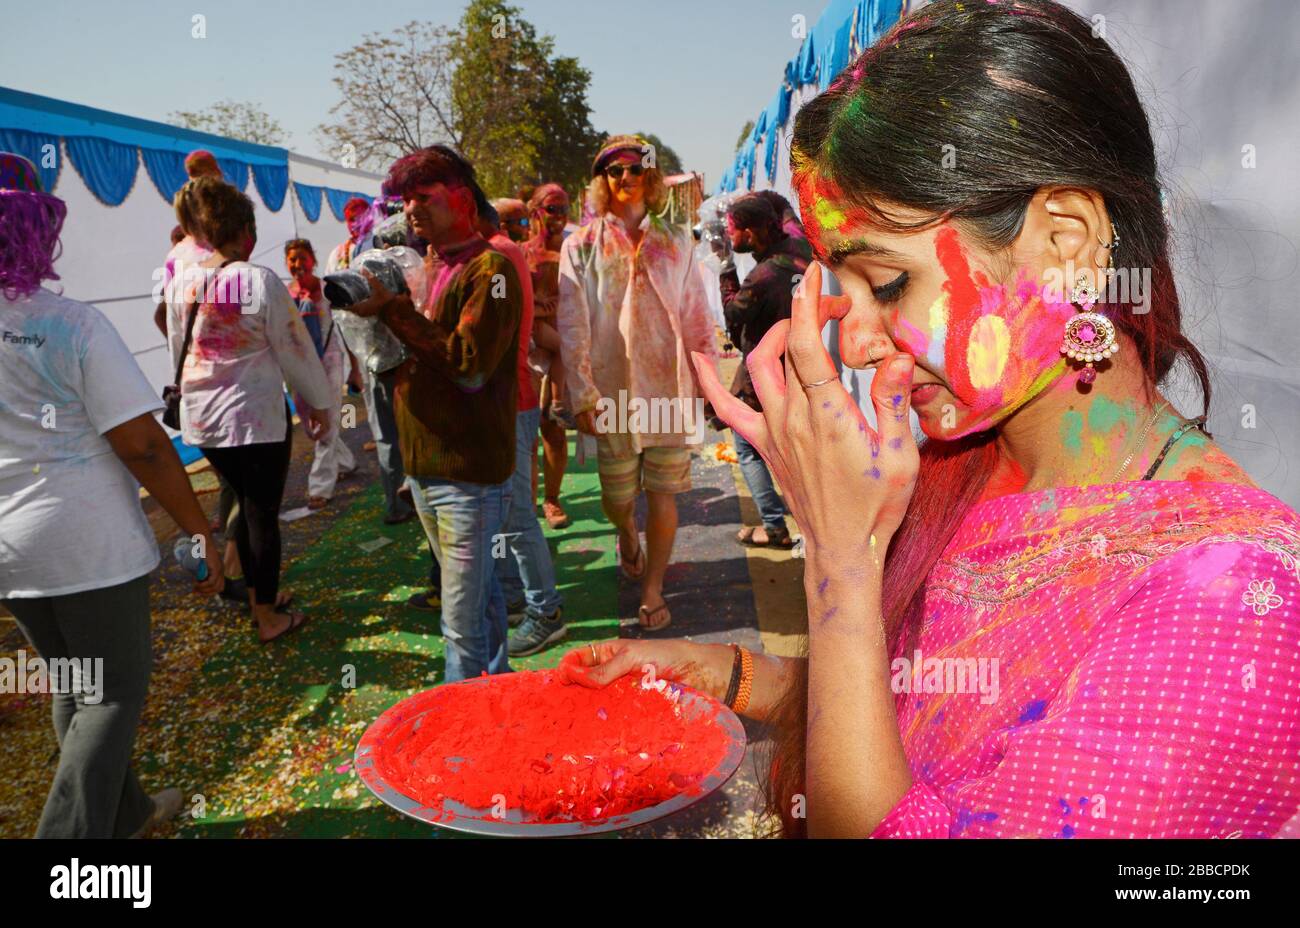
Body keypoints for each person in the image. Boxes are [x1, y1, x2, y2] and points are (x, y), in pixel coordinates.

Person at [561, 0, 1300, 838]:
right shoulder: (965, 464)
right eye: (843, 290)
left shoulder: (1231, 604)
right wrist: (719, 674)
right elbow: (918, 719)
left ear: (1066, 241)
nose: (860, 341)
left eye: (888, 284)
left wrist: (839, 561)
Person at [0, 152, 224, 837]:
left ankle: (124, 813)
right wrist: (200, 529)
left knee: (75, 683)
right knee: (110, 695)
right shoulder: (68, 323)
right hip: (84, 543)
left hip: (13, 549)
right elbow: (145, 445)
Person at [345, 146, 523, 682]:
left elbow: (469, 366)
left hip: (466, 471)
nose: (412, 211)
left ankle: (461, 738)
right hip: (429, 467)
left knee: (459, 621)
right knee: (481, 600)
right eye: (405, 202)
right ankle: (494, 698)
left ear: (462, 199)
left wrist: (392, 311)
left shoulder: (491, 270)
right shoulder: (429, 266)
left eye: (424, 198)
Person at [557, 135, 717, 631]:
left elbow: (697, 316)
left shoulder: (677, 240)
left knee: (665, 495)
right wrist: (582, 393)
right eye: (613, 172)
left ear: (649, 177)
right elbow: (572, 322)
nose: (624, 178)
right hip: (612, 394)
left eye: (634, 170)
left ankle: (652, 589)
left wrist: (708, 384)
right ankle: (627, 533)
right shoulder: (581, 246)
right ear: (602, 181)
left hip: (668, 391)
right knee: (618, 498)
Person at [165, 176, 333, 643]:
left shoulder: (185, 280)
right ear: (244, 232)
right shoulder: (257, 279)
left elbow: (176, 344)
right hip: (254, 418)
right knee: (262, 515)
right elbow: (295, 348)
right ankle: (267, 616)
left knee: (243, 502)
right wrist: (319, 404)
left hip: (204, 423)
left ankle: (248, 588)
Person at [467, 202, 567, 656]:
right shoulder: (503, 253)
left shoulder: (498, 254)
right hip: (507, 401)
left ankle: (545, 612)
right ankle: (516, 598)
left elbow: (488, 337)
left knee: (518, 514)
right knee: (507, 511)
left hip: (510, 401)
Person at [714, 194, 810, 548]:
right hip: (799, 371)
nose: (728, 235)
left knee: (749, 450)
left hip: (763, 379)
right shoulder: (798, 243)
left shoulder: (762, 277)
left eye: (731, 229)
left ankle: (774, 526)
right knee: (793, 453)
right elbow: (783, 203)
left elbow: (732, 315)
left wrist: (725, 268)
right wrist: (753, 201)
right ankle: (811, 528)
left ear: (751, 233)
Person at [284, 238, 358, 509]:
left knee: (326, 422)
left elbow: (347, 328)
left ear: (313, 260)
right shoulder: (285, 294)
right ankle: (347, 462)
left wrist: (355, 369)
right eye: (292, 259)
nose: (297, 264)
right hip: (299, 368)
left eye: (302, 258)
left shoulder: (329, 290)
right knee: (311, 426)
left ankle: (320, 488)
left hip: (329, 362)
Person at [524, 182, 574, 530]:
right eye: (551, 209)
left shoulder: (575, 250)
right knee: (526, 435)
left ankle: (552, 499)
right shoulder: (520, 252)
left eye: (563, 209)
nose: (558, 217)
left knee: (553, 432)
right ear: (534, 212)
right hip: (528, 350)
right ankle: (527, 506)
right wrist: (537, 312)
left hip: (564, 351)